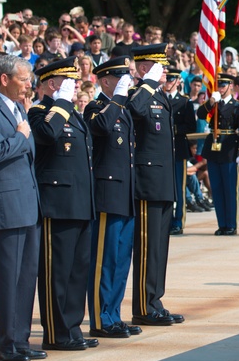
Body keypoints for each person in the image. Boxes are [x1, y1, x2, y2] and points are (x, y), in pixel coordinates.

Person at [0, 55, 42, 361]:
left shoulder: (17, 108)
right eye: (23, 78)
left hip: (27, 202)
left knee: (26, 276)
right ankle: (3, 344)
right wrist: (20, 134)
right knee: (6, 278)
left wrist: (21, 133)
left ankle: (20, 339)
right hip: (6, 204)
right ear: (5, 79)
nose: (28, 84)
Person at [26, 57, 97, 351]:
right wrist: (64, 104)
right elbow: (46, 135)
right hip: (57, 202)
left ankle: (72, 328)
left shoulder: (72, 112)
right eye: (69, 81)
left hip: (79, 200)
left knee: (77, 270)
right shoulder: (38, 112)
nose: (75, 85)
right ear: (52, 84)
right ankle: (56, 333)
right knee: (57, 271)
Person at [127, 43, 184, 327]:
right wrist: (147, 81)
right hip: (147, 182)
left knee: (160, 248)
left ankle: (155, 301)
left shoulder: (159, 96)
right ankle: (143, 306)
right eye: (157, 65)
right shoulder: (139, 93)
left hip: (163, 181)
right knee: (148, 247)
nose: (164, 69)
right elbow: (133, 110)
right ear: (143, 68)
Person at [84, 57, 140, 338]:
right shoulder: (95, 108)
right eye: (121, 78)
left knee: (121, 259)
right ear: (105, 81)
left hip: (125, 193)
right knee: (103, 261)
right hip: (107, 193)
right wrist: (117, 99)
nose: (126, 83)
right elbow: (102, 128)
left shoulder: (125, 109)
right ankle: (99, 318)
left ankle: (114, 314)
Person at [196, 73, 239, 235]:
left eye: (223, 85)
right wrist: (211, 101)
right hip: (213, 150)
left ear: (231, 86)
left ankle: (231, 224)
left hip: (229, 150)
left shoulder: (238, 106)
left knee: (229, 189)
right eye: (219, 85)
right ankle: (222, 224)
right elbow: (200, 115)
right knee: (217, 189)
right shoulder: (213, 104)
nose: (220, 88)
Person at [165, 68, 196, 235]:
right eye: (167, 79)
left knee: (179, 187)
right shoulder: (160, 99)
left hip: (179, 150)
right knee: (166, 188)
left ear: (177, 81)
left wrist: (172, 129)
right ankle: (167, 220)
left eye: (171, 80)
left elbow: (191, 126)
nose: (168, 82)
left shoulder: (185, 102)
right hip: (164, 151)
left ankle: (178, 220)